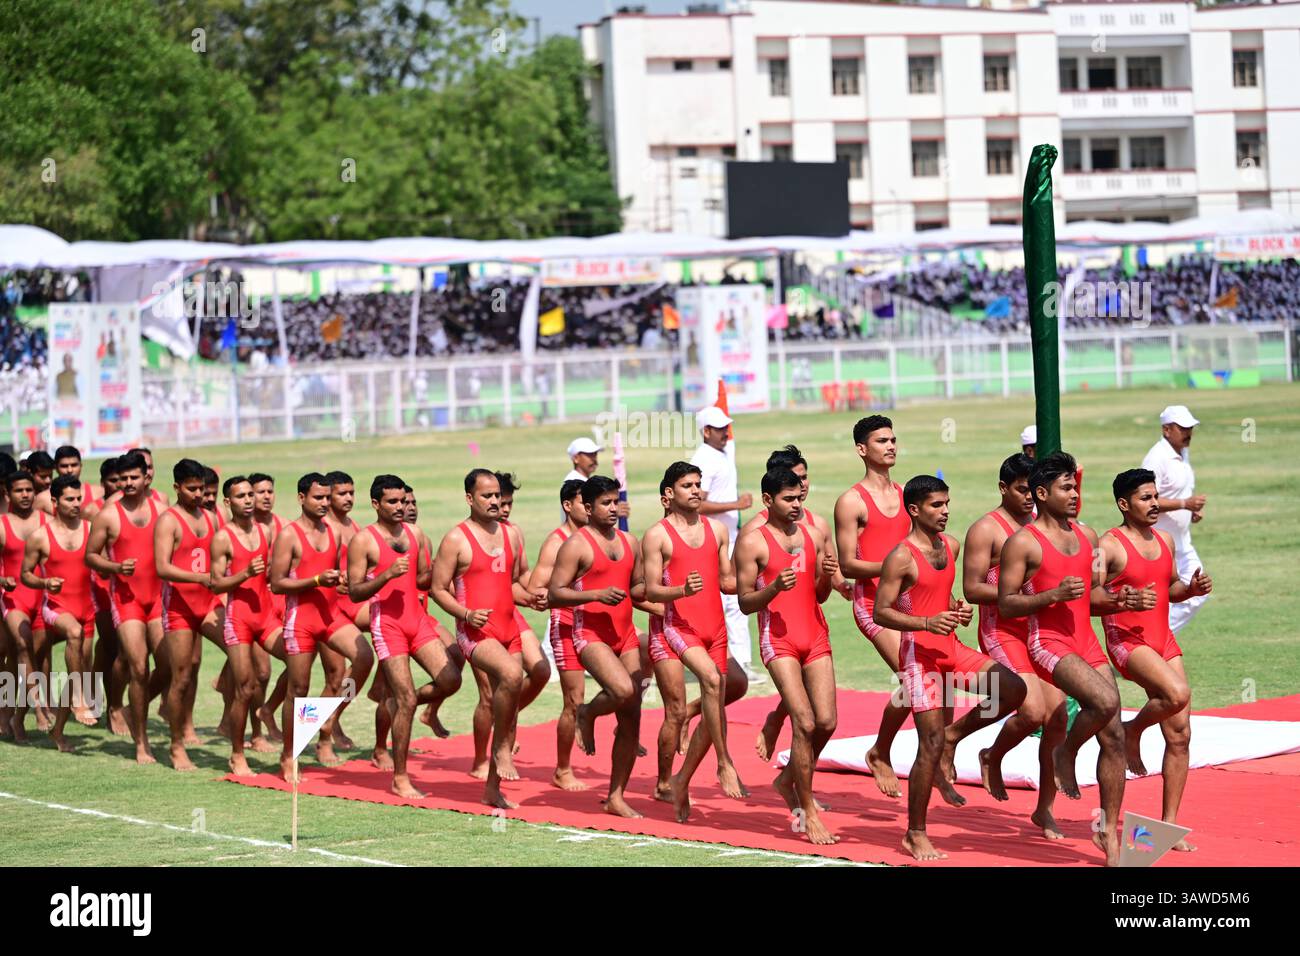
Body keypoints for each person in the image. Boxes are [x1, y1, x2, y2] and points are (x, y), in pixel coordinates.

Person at [997, 451, 1144, 866]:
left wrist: (1119, 599)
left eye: (1076, 486)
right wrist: (1049, 596)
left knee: (1114, 734)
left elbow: (1092, 598)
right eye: (1066, 488)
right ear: (1042, 494)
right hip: (1049, 642)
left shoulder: (1088, 536)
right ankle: (1064, 753)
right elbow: (1007, 604)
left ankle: (1110, 833)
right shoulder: (1022, 542)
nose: (1075, 494)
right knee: (1105, 702)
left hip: (1086, 640)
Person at [874, 475, 1026, 861]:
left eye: (946, 503)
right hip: (919, 658)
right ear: (914, 509)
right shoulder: (901, 557)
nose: (945, 512)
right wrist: (926, 623)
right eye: (936, 506)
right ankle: (915, 833)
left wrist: (955, 609)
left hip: (951, 649)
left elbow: (939, 595)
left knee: (1012, 689)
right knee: (929, 742)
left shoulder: (949, 546)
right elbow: (881, 612)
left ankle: (956, 735)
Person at [1099, 468, 1212, 852]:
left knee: (1180, 733)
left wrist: (1190, 589)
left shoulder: (1164, 538)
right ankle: (1132, 730)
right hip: (1126, 641)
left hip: (1162, 639)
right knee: (1177, 692)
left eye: (1155, 497)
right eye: (1146, 498)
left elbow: (1171, 589)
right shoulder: (1109, 545)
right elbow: (1088, 599)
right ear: (1124, 504)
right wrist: (1124, 600)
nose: (1154, 504)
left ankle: (1167, 828)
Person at [961, 453, 1067, 838]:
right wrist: (1018, 591)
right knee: (1034, 709)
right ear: (1004, 488)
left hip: (1039, 630)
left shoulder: (1042, 526)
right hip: (1001, 629)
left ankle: (1044, 809)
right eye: (1021, 490)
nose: (1028, 499)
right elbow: (971, 589)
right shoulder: (985, 529)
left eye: (1032, 492)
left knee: (1057, 718)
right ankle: (990, 754)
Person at [734, 467, 839, 845]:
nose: (797, 505)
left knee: (827, 722)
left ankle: (786, 777)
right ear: (768, 500)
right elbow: (745, 603)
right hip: (778, 640)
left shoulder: (812, 535)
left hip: (815, 634)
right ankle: (806, 809)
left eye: (799, 498)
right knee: (805, 722)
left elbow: (820, 595)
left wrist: (826, 577)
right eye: (788, 499)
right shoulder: (752, 542)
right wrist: (774, 587)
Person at [642, 461, 746, 816]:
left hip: (715, 628)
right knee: (698, 694)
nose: (697, 490)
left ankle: (681, 779)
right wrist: (681, 589)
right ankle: (720, 764)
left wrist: (770, 583)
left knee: (715, 697)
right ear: (668, 495)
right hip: (676, 626)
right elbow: (650, 588)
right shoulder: (656, 535)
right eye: (688, 485)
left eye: (699, 484)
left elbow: (729, 582)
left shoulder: (717, 530)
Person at [429, 468, 534, 809]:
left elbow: (516, 580)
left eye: (497, 496)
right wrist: (464, 614)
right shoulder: (456, 539)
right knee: (512, 675)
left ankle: (492, 788)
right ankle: (500, 749)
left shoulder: (511, 534)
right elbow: (437, 588)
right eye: (486, 496)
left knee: (511, 696)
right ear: (469, 498)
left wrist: (533, 596)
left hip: (509, 628)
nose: (494, 501)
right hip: (475, 631)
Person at [348, 475, 455, 799]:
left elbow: (422, 578)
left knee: (451, 679)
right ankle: (400, 777)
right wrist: (385, 575)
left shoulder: (416, 534)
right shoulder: (364, 541)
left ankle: (396, 702)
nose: (400, 507)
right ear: (376, 504)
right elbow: (354, 592)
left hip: (416, 620)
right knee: (408, 698)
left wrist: (441, 570)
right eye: (392, 502)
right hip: (388, 624)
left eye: (403, 501)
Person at [548, 475, 648, 819]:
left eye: (615, 501)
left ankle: (616, 796)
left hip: (625, 633)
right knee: (621, 689)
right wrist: (594, 594)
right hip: (589, 633)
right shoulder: (576, 544)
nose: (613, 508)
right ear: (588, 508)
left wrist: (671, 597)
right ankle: (588, 713)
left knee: (632, 712)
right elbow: (554, 593)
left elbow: (637, 588)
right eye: (605, 503)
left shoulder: (630, 541)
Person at [745, 444, 850, 761]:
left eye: (804, 478)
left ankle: (789, 749)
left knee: (823, 717)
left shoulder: (817, 526)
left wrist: (841, 584)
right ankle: (781, 727)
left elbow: (828, 581)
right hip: (778, 631)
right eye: (794, 479)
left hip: (812, 625)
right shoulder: (755, 532)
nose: (802, 485)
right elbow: (741, 586)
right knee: (805, 715)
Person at [267, 472, 374, 779]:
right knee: (297, 689)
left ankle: (324, 717)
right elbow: (276, 583)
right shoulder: (289, 535)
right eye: (319, 497)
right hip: (300, 620)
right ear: (302, 498)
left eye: (328, 497)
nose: (325, 503)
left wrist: (340, 581)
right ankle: (289, 755)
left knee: (364, 657)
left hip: (331, 616)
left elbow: (337, 572)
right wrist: (315, 580)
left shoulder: (334, 531)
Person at [833, 414, 912, 797]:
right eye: (882, 441)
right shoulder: (851, 501)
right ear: (862, 450)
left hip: (912, 603)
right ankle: (881, 753)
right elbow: (848, 564)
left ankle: (899, 751)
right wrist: (892, 567)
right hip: (873, 604)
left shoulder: (906, 495)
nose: (891, 446)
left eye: (894, 439)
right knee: (915, 677)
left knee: (928, 682)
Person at [85, 450, 164, 764]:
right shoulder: (108, 514)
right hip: (127, 600)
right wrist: (116, 568)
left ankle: (130, 709)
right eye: (124, 478)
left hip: (159, 598)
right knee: (139, 667)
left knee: (171, 666)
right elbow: (91, 556)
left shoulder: (162, 509)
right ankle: (141, 742)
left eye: (135, 477)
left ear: (146, 477)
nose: (129, 483)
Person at [209, 475, 281, 775]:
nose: (249, 500)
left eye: (251, 494)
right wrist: (243, 574)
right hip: (238, 619)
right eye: (241, 496)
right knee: (246, 687)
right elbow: (215, 583)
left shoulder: (265, 530)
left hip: (265, 616)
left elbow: (270, 576)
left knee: (299, 661)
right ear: (228, 502)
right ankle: (238, 754)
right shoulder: (223, 538)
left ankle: (270, 715)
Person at [153, 459, 223, 771]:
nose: (198, 494)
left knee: (247, 658)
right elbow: (162, 567)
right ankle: (176, 744)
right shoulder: (168, 521)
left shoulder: (211, 518)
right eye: (191, 489)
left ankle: (234, 740)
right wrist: (200, 578)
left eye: (202, 489)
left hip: (208, 603)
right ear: (177, 488)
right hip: (179, 607)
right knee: (181, 677)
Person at [20, 473, 95, 751]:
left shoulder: (90, 529)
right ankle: (77, 698)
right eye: (70, 499)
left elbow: (103, 559)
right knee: (72, 635)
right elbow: (26, 575)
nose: (77, 503)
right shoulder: (40, 536)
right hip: (56, 608)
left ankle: (58, 732)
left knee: (82, 667)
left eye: (79, 498)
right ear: (54, 501)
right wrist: (43, 582)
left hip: (87, 609)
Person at [527, 478, 591, 790]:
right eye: (584, 502)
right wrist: (563, 594)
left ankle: (618, 730)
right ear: (568, 506)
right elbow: (536, 591)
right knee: (574, 700)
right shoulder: (556, 544)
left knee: (631, 682)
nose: (590, 508)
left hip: (601, 625)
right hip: (566, 625)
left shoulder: (599, 536)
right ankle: (562, 769)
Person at [689, 405, 759, 685]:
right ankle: (736, 664)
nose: (725, 433)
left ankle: (737, 662)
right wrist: (736, 504)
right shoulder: (705, 459)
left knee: (732, 601)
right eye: (719, 429)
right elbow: (697, 502)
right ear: (706, 431)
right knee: (731, 601)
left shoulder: (719, 454)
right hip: (717, 542)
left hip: (728, 538)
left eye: (726, 428)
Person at [1140, 405, 1208, 634]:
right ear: (1166, 429)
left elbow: (1179, 493)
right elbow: (1144, 501)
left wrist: (1191, 511)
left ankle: (1156, 642)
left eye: (1190, 428)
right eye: (1183, 428)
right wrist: (1184, 504)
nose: (1188, 433)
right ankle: (1153, 645)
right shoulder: (1156, 458)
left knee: (1197, 593)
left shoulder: (1182, 453)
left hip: (1182, 542)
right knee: (1159, 598)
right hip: (1160, 544)